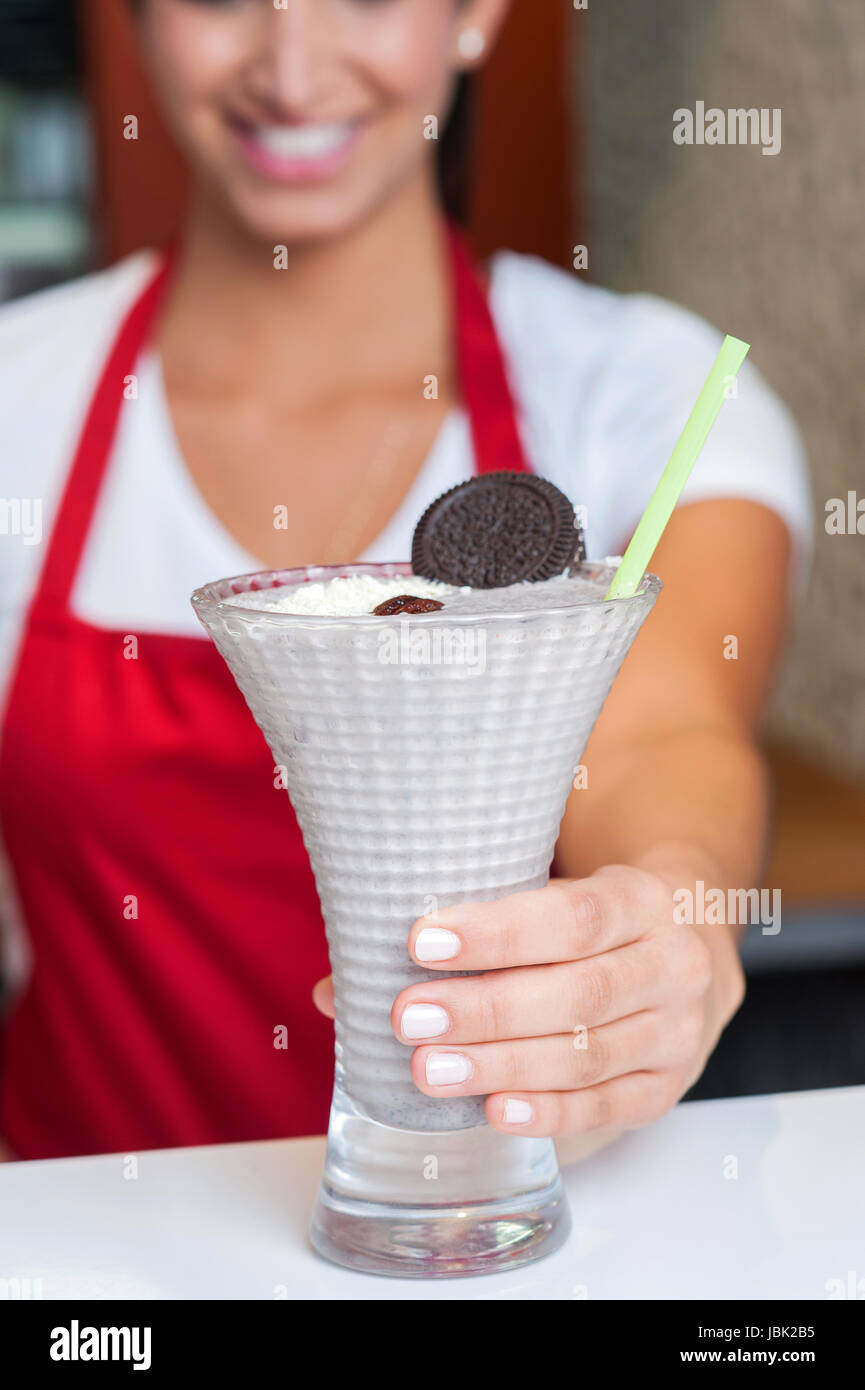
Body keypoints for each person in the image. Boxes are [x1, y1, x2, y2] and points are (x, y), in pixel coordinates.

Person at [0, 0, 809, 1161]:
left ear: (477, 11)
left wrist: (670, 912)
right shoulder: (15, 410)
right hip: (78, 1254)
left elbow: (656, 740)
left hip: (506, 1242)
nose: (291, 65)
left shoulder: (645, 397)